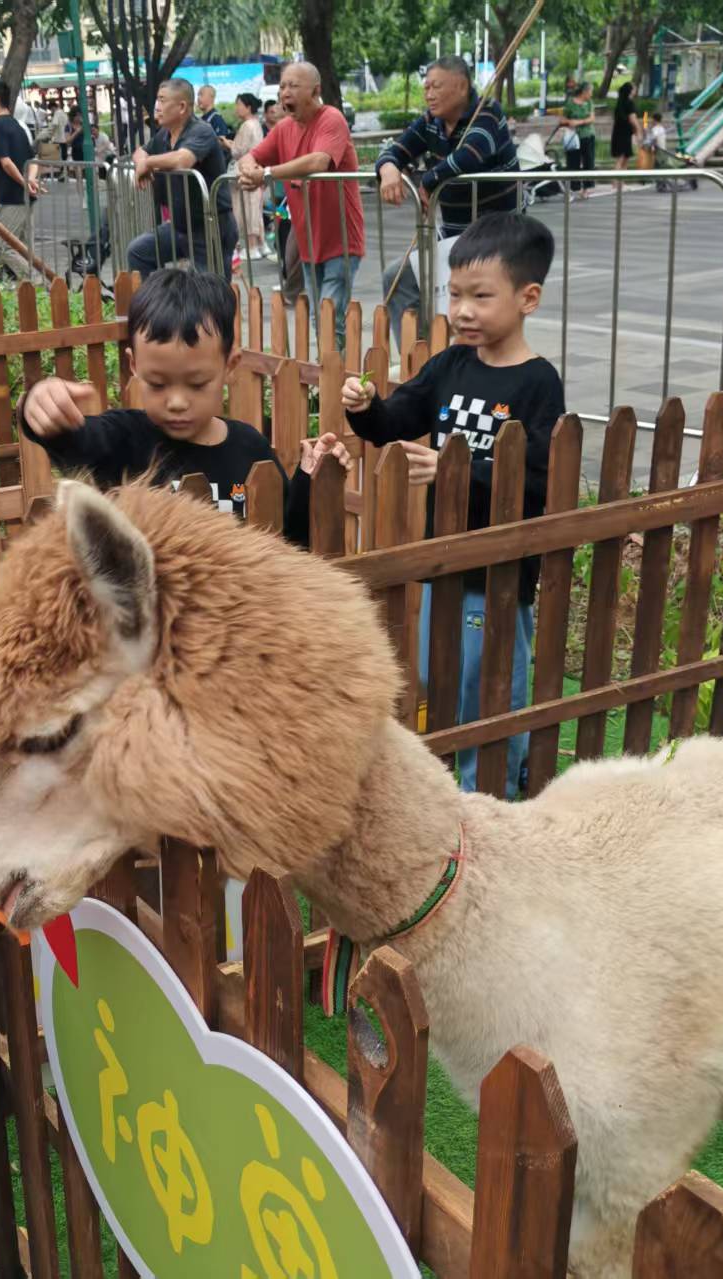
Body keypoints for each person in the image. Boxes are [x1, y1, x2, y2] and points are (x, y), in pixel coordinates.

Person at [340, 213, 563, 796]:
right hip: (442, 556)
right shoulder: (449, 366)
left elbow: (540, 478)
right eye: (454, 295)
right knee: (438, 675)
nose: (462, 311)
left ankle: (496, 788)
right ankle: (447, 788)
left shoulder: (539, 384)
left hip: (499, 568)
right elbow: (395, 422)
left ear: (527, 298)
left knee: (489, 681)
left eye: (480, 297)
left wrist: (458, 472)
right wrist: (364, 407)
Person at [16, 268, 342, 543]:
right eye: (157, 384)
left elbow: (289, 539)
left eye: (197, 384)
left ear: (230, 366)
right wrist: (37, 406)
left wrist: (308, 479)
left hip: (239, 614)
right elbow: (73, 442)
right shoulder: (123, 438)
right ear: (134, 366)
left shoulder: (250, 446)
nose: (176, 402)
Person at [376, 55, 519, 348]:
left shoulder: (488, 113)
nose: (428, 94)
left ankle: (472, 363)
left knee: (469, 299)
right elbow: (397, 149)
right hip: (454, 235)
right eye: (426, 87)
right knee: (397, 278)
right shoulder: (431, 122)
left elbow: (468, 157)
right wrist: (388, 168)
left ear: (461, 86)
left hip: (498, 236)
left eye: (435, 87)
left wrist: (428, 180)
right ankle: (418, 361)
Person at [239, 61, 365, 354]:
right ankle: (331, 383)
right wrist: (249, 170)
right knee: (317, 318)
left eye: (293, 86)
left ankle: (338, 389)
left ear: (316, 90)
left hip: (342, 240)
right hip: (309, 240)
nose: (285, 93)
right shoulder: (283, 129)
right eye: (282, 86)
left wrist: (267, 174)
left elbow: (319, 161)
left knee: (330, 316)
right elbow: (251, 157)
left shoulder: (331, 119)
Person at [127, 78, 237, 277]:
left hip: (211, 227)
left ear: (182, 107)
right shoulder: (164, 134)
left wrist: (148, 162)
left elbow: (182, 160)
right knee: (139, 251)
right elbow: (140, 151)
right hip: (181, 225)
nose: (156, 107)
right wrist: (142, 160)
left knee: (211, 293)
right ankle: (157, 306)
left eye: (162, 100)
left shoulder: (201, 130)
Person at [0, 77, 42, 282]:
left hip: (10, 198)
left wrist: (25, 183)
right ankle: (33, 295)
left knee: (4, 246)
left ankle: (37, 282)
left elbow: (6, 162)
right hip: (23, 196)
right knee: (22, 248)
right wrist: (30, 181)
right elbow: (33, 160)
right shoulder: (17, 126)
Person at [230, 92, 270, 262]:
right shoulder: (257, 124)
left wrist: (227, 143)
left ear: (248, 107)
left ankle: (251, 247)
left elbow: (237, 150)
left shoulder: (247, 125)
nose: (236, 108)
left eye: (239, 104)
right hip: (256, 169)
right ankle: (261, 245)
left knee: (245, 210)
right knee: (255, 210)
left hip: (245, 171)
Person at [557, 82, 595, 196]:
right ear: (584, 92)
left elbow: (592, 118)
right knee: (573, 162)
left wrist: (579, 122)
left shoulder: (589, 103)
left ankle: (586, 188)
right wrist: (569, 122)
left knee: (588, 161)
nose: (591, 94)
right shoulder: (570, 103)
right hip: (573, 137)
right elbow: (562, 120)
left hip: (587, 135)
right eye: (590, 92)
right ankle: (574, 187)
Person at [610, 82, 638, 171]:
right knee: (623, 159)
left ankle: (619, 183)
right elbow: (632, 120)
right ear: (630, 91)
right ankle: (618, 183)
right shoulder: (629, 103)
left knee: (622, 159)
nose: (635, 91)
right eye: (634, 89)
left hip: (618, 133)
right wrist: (638, 131)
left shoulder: (619, 103)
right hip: (625, 134)